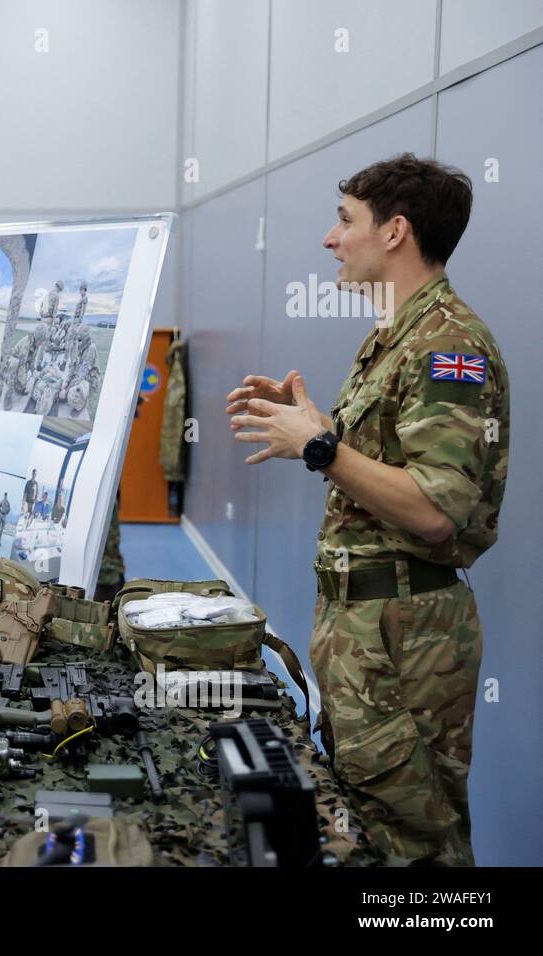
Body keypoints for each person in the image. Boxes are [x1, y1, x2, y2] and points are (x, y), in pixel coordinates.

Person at [227, 154, 508, 866]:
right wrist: (314, 427)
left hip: (406, 643)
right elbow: (387, 470)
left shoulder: (448, 345)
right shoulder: (394, 336)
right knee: (371, 829)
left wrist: (321, 446)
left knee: (414, 843)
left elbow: (437, 509)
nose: (330, 238)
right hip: (368, 637)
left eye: (345, 220)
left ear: (395, 233)